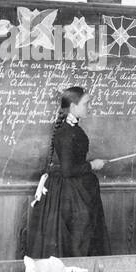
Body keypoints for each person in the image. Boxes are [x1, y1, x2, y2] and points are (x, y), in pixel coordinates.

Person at [24, 86, 110, 258]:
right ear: (72, 107)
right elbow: (68, 170)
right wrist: (93, 165)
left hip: (76, 191)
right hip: (70, 196)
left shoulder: (72, 129)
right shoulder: (66, 132)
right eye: (85, 104)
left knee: (82, 236)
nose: (88, 107)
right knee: (76, 238)